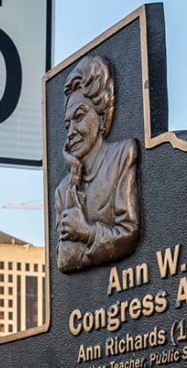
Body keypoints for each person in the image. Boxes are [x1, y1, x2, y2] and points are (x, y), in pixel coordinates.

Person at [53, 55, 140, 271]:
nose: (71, 132)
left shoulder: (122, 156)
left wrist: (86, 231)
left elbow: (128, 232)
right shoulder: (63, 191)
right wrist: (74, 181)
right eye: (67, 125)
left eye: (79, 117)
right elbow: (64, 262)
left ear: (102, 114)